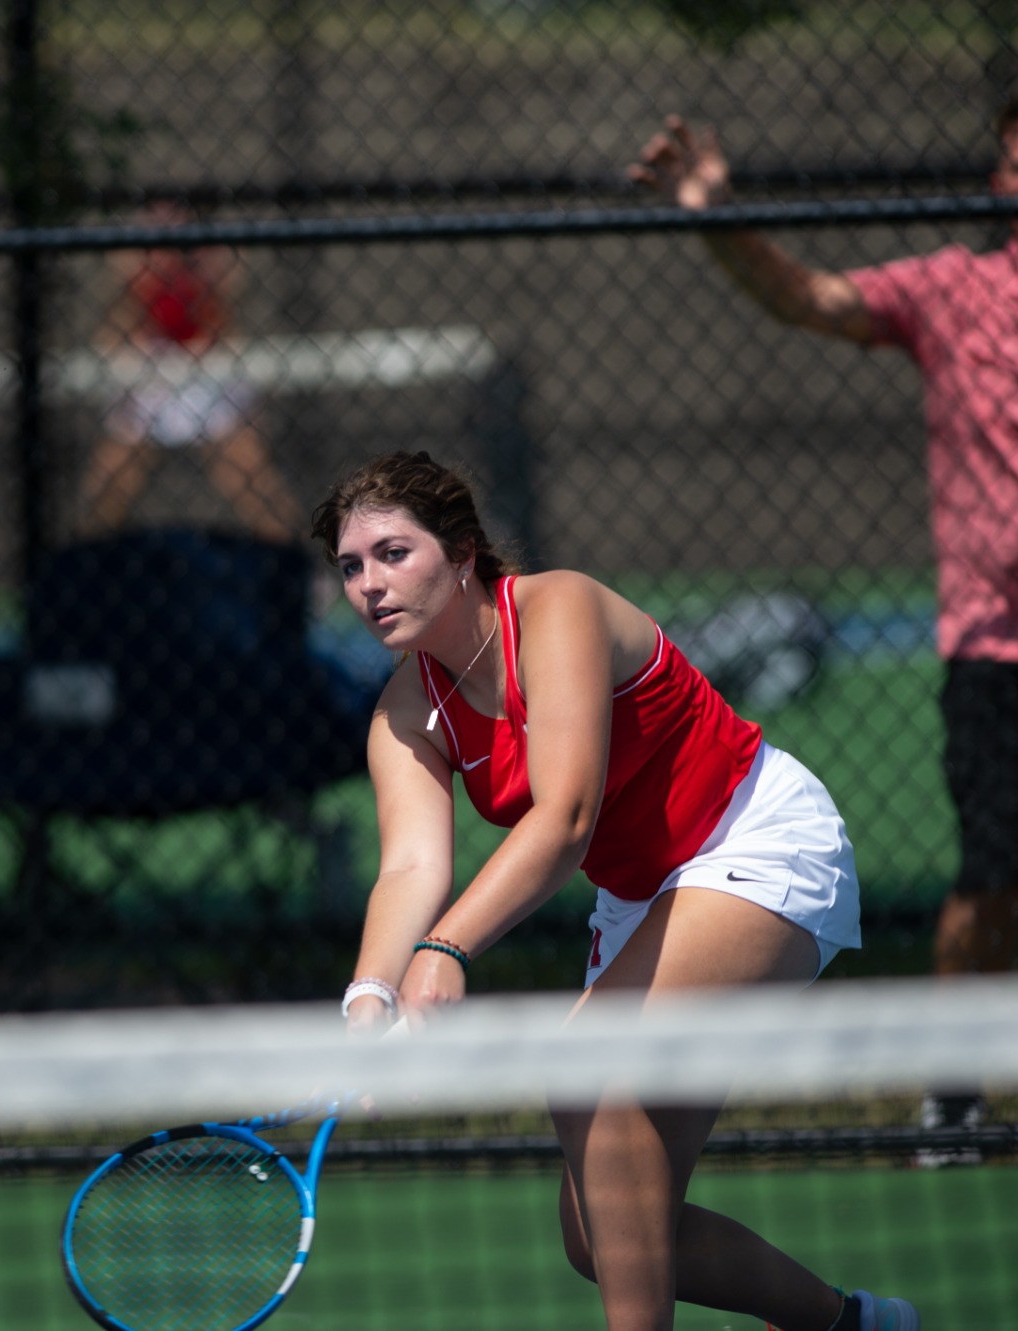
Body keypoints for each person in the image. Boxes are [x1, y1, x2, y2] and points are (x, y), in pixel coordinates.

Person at [632, 91, 1018, 1150]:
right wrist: (709, 213)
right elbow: (805, 296)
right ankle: (952, 1093)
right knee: (992, 873)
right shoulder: (947, 290)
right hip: (998, 646)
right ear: (996, 188)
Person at [315, 452, 914, 1331]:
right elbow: (409, 867)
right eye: (350, 566)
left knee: (585, 1069)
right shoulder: (405, 710)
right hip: (643, 898)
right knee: (609, 1237)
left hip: (753, 837)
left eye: (393, 553)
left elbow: (565, 817)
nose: (370, 584)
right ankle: (854, 1324)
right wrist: (370, 992)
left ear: (464, 552)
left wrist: (444, 949)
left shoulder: (558, 610)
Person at [76, 200, 302, 543]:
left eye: (176, 217)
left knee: (250, 481)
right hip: (148, 376)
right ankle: (80, 569)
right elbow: (118, 325)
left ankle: (302, 568)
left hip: (203, 373)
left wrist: (200, 260)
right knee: (111, 483)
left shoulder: (211, 258)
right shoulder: (134, 259)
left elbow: (223, 317)